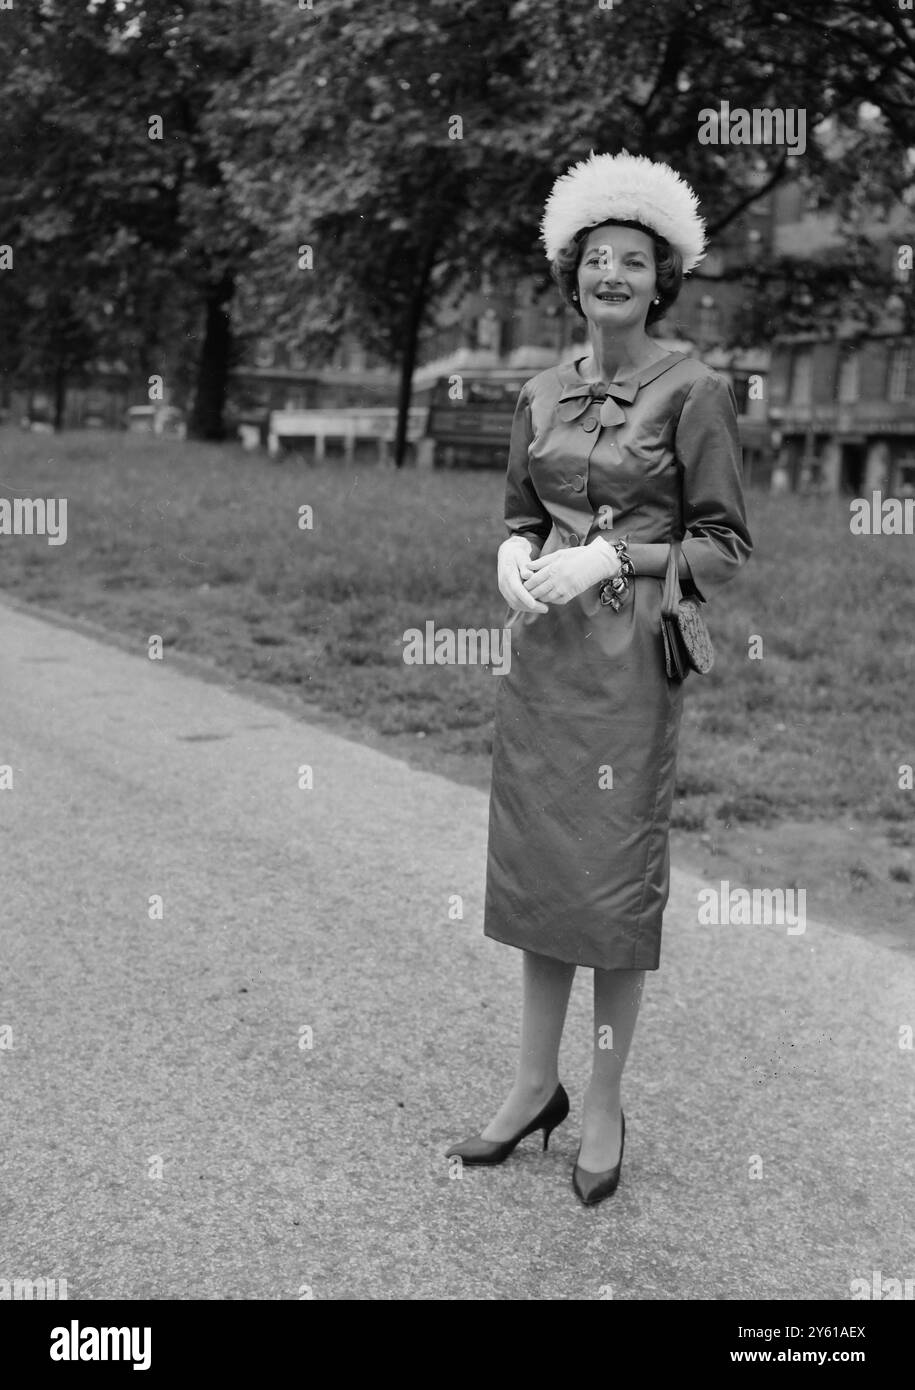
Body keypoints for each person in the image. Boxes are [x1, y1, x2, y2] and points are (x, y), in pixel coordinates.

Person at [446, 151, 753, 1205]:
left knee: (610, 884)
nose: (612, 274)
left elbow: (722, 546)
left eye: (634, 260)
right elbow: (522, 508)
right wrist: (514, 550)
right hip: (543, 657)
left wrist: (618, 555)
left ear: (661, 279)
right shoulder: (539, 387)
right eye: (595, 259)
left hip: (629, 666)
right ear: (571, 277)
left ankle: (607, 1098)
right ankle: (535, 1085)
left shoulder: (694, 389)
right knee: (540, 874)